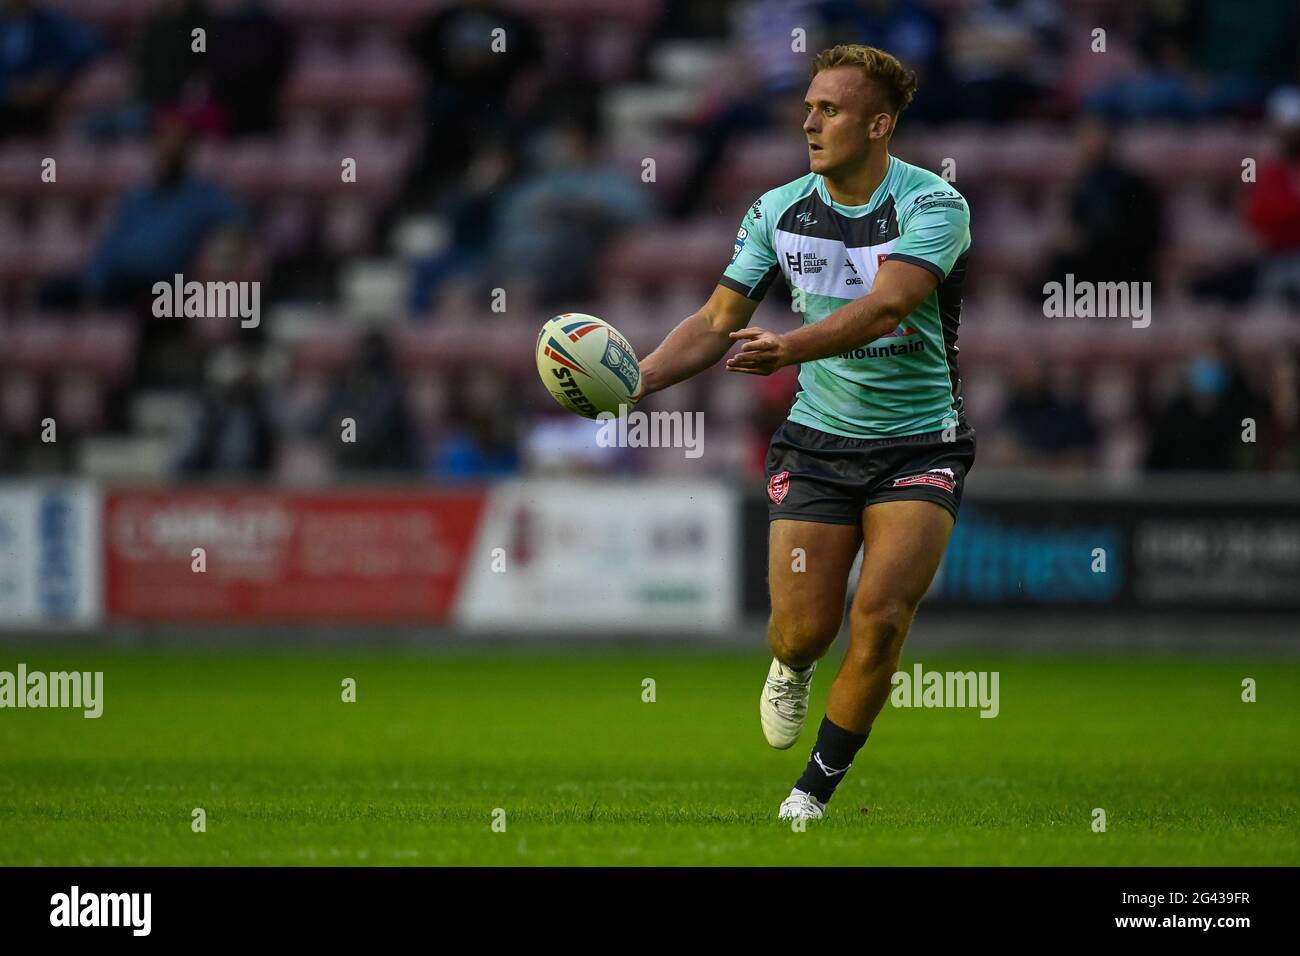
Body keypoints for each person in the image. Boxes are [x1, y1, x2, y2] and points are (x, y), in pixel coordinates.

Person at [634, 44, 974, 821]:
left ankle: (812, 793)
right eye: (809, 105)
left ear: (879, 125)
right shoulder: (778, 209)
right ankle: (790, 666)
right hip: (819, 442)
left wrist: (789, 347)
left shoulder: (933, 205)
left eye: (830, 109)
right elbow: (719, 321)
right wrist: (637, 381)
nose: (808, 121)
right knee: (801, 631)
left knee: (882, 618)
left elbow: (889, 306)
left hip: (921, 442)